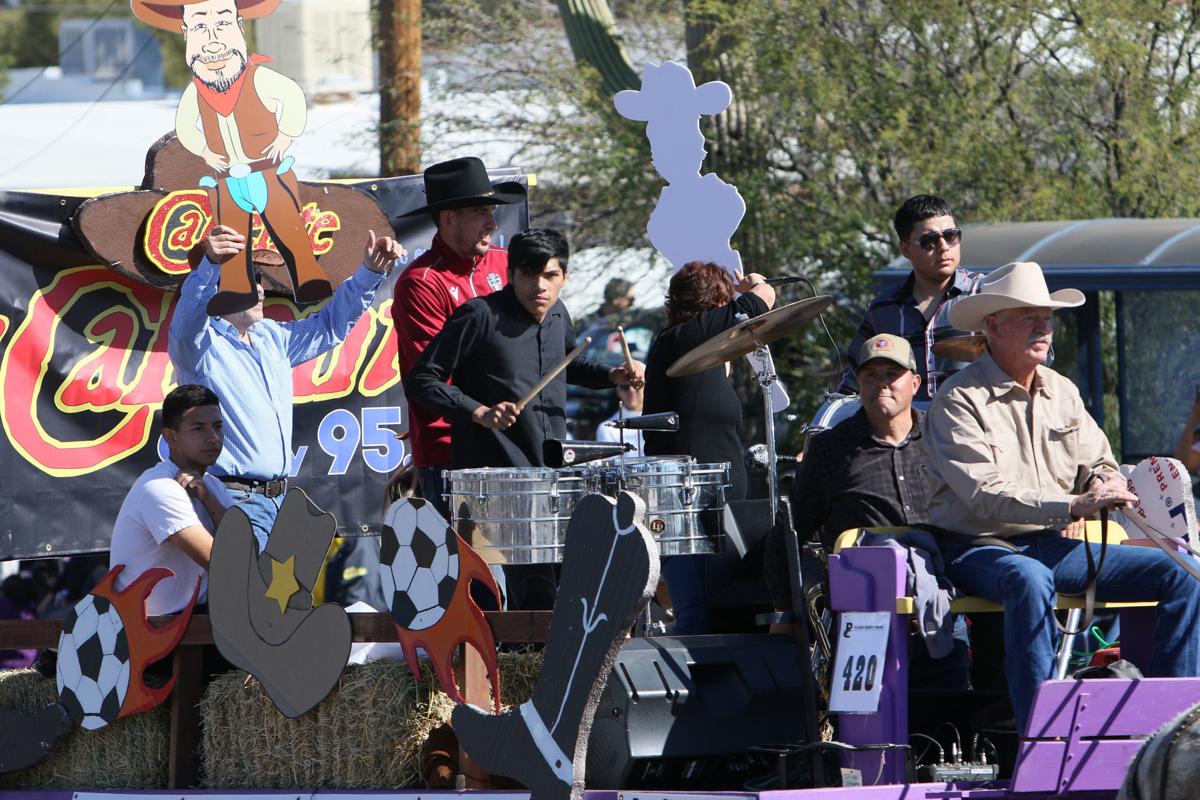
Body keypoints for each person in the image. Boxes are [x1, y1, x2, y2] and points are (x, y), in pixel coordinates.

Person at [924, 260, 1200, 734]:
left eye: (1048, 316)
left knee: (1184, 572)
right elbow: (984, 495)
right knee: (1029, 579)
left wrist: (1105, 484)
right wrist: (1073, 506)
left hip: (1049, 546)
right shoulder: (958, 399)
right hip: (975, 548)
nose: (1044, 327)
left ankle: (1171, 729)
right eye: (1029, 316)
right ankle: (1041, 735)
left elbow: (1101, 460)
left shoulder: (1062, 391)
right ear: (993, 327)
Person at [170, 224, 403, 548]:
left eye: (261, 281)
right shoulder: (201, 346)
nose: (262, 290)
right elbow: (185, 323)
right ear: (220, 293)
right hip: (230, 499)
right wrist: (209, 265)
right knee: (243, 595)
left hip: (279, 500)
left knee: (269, 597)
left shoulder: (271, 337)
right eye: (250, 283)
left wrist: (370, 272)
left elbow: (329, 327)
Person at [769, 334, 969, 687]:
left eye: (891, 374)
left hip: (945, 598)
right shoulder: (830, 448)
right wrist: (786, 612)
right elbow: (791, 531)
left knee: (952, 707)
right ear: (858, 383)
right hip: (865, 612)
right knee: (869, 726)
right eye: (870, 376)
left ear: (915, 381)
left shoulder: (945, 436)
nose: (881, 384)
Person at [132, 0, 332, 315]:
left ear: (239, 27)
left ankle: (308, 276)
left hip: (268, 172)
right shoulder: (195, 91)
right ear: (186, 33)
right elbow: (186, 126)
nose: (212, 39)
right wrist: (204, 151)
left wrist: (286, 136)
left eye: (222, 24)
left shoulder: (260, 78)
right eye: (200, 26)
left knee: (288, 226)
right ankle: (236, 287)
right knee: (231, 238)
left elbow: (292, 98)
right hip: (226, 180)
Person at [404, 227, 643, 470]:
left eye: (550, 276)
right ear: (510, 274)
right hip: (492, 477)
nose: (540, 285)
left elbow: (568, 363)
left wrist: (613, 375)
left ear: (565, 277)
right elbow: (421, 380)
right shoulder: (479, 315)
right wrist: (479, 412)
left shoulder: (558, 312)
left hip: (553, 470)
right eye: (529, 274)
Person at [642, 261, 776, 634]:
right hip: (685, 508)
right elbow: (755, 305)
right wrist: (757, 288)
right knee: (697, 616)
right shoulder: (678, 341)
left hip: (719, 509)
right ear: (715, 303)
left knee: (724, 614)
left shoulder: (703, 358)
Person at [392, 157, 526, 515]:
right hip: (452, 454)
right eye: (481, 211)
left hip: (513, 445)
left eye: (492, 211)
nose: (493, 222)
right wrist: (483, 410)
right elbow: (431, 378)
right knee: (477, 568)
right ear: (448, 217)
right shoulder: (422, 282)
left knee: (526, 567)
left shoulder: (506, 264)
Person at [838, 194, 984, 400]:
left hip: (973, 427)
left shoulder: (985, 293)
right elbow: (852, 382)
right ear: (905, 248)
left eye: (951, 236)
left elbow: (1031, 360)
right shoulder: (883, 310)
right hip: (906, 430)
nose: (944, 247)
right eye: (929, 241)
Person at [108, 385, 234, 617]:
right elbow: (223, 563)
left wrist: (207, 498)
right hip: (145, 635)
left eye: (217, 427)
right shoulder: (159, 487)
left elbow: (242, 549)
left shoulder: (213, 486)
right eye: (199, 428)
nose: (213, 438)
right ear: (170, 437)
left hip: (190, 626)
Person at [595, 382, 645, 456]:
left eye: (637, 385)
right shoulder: (607, 428)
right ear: (617, 390)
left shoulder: (663, 419)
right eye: (625, 386)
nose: (631, 390)